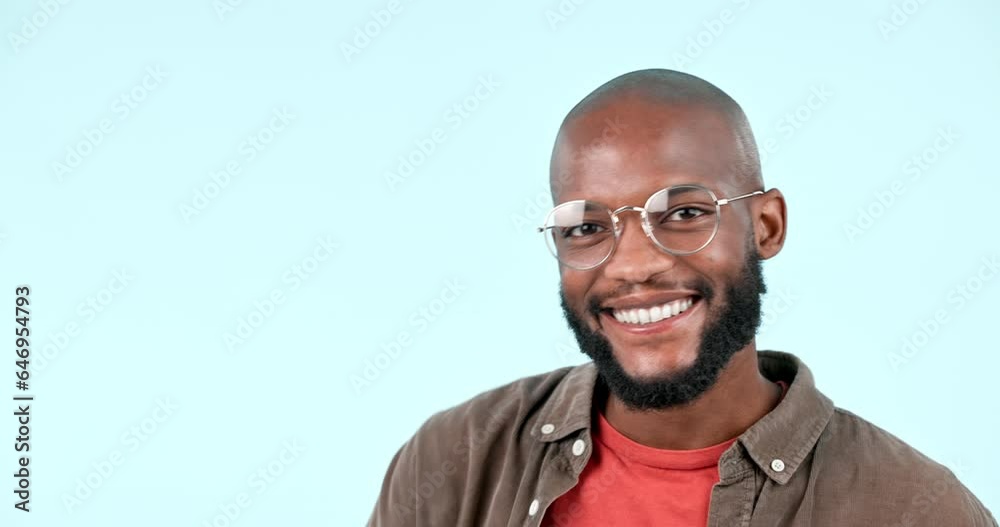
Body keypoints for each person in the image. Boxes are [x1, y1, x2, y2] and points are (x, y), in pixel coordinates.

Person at [367, 69, 998, 526]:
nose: (634, 266)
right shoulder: (455, 459)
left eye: (685, 213)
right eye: (587, 227)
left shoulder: (913, 508)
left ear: (766, 226)